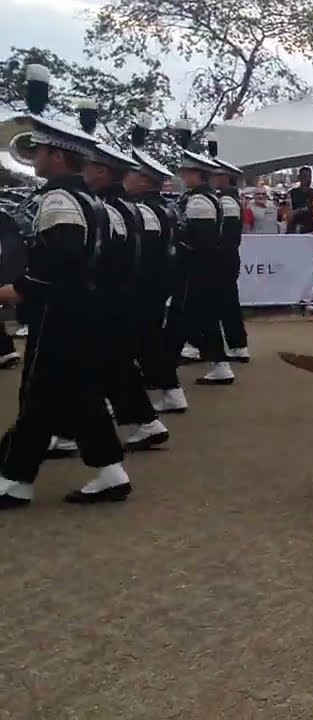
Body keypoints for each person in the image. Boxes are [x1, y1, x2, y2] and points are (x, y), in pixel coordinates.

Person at [0, 64, 131, 509]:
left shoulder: (59, 199)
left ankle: (15, 481)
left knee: (41, 394)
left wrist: (18, 289)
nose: (32, 157)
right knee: (77, 393)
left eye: (38, 151)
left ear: (58, 157)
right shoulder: (93, 201)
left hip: (61, 310)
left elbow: (60, 262)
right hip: (84, 307)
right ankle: (110, 472)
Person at [81, 122, 171, 451]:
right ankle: (143, 421)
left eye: (89, 166)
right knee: (114, 360)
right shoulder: (127, 207)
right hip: (124, 292)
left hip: (110, 294)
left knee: (95, 360)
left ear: (103, 172)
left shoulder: (111, 208)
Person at [122, 116, 186, 414]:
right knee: (148, 339)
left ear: (145, 181)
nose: (126, 179)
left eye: (132, 174)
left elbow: (142, 252)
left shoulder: (146, 211)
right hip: (158, 283)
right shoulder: (164, 208)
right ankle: (168, 391)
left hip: (145, 285)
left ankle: (164, 393)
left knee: (142, 340)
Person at [172, 120, 237, 386]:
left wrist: (179, 251)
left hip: (198, 268)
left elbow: (200, 240)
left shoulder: (199, 200)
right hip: (205, 267)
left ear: (197, 174)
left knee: (190, 316)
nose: (182, 175)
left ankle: (168, 370)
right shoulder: (207, 197)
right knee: (200, 315)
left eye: (186, 172)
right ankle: (217, 363)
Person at [204, 135, 250, 363]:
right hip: (226, 256)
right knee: (226, 301)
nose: (212, 179)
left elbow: (227, 234)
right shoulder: (225, 199)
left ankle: (236, 344)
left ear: (225, 177)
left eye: (216, 175)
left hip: (224, 256)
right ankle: (237, 344)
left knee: (223, 301)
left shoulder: (227, 201)